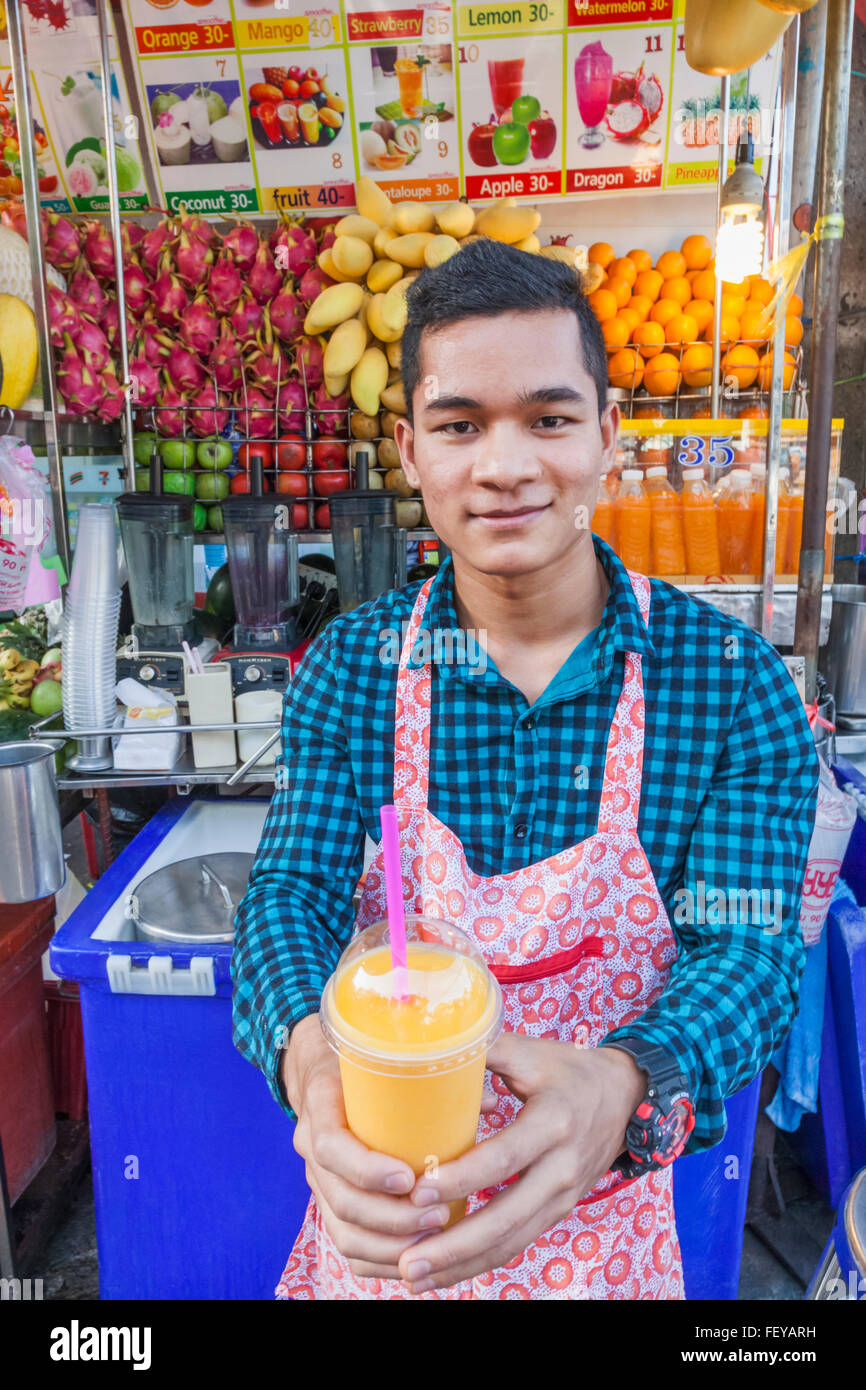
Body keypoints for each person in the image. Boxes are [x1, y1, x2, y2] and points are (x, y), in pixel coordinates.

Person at [232, 238, 818, 1301]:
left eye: (547, 419)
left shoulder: (729, 683)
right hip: (386, 1227)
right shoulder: (352, 673)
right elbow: (291, 893)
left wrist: (623, 1080)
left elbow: (750, 948)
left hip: (609, 1241)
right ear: (409, 451)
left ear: (604, 431)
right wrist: (309, 1060)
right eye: (459, 426)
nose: (503, 465)